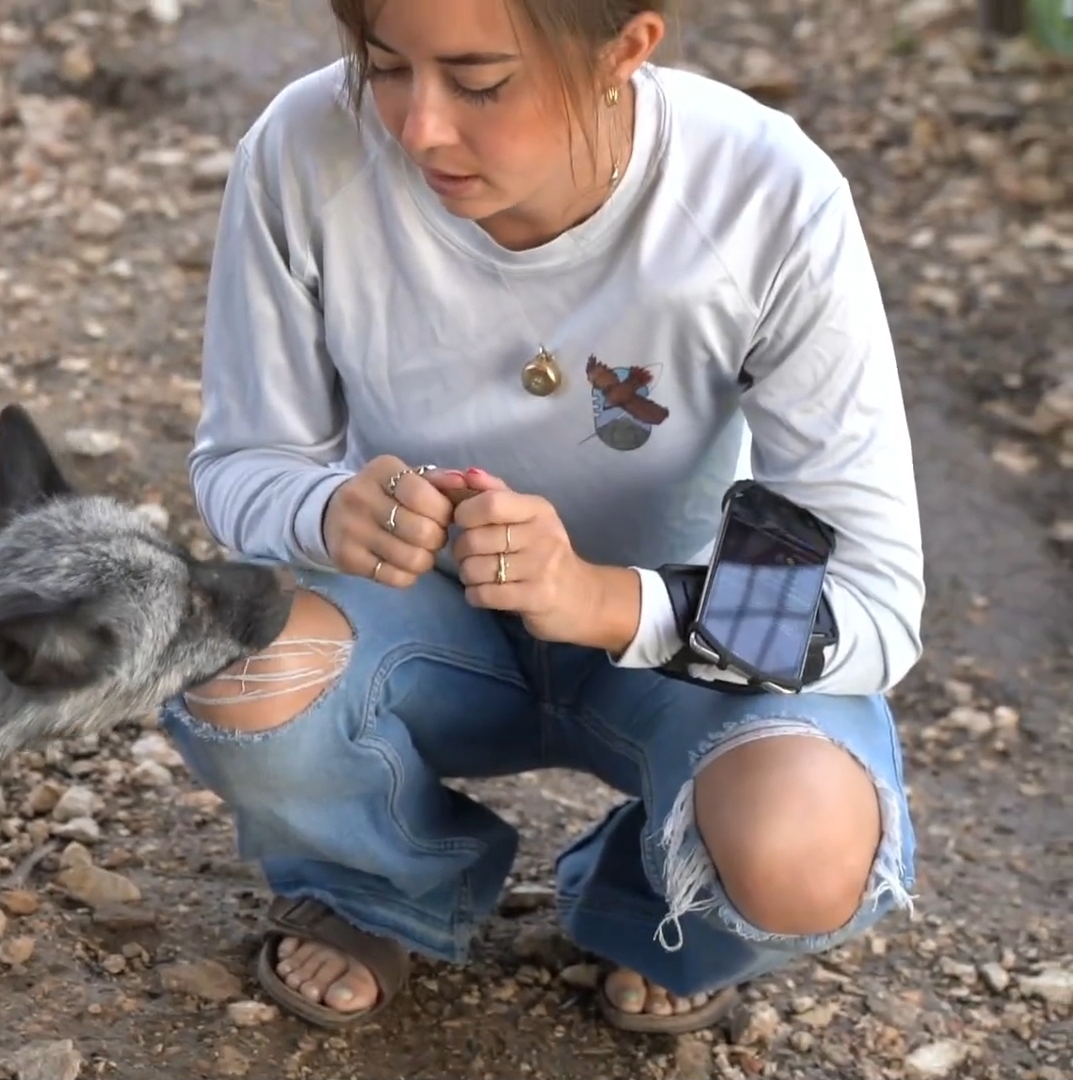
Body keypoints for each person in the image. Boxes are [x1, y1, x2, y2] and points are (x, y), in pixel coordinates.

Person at [162, 0, 925, 1035]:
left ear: (626, 50)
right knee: (242, 673)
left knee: (801, 850)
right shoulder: (306, 147)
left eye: (481, 83)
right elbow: (245, 461)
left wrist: (607, 600)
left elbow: (866, 594)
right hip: (414, 623)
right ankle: (383, 886)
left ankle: (651, 903)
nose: (420, 128)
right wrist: (327, 505)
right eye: (384, 66)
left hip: (689, 651)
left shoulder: (763, 194)